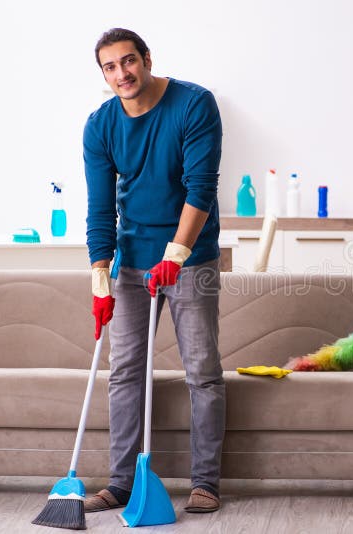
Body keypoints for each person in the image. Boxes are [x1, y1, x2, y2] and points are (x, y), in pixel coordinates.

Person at [83, 28, 224, 514]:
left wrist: (176, 254)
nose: (122, 74)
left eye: (128, 62)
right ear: (103, 74)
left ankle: (205, 482)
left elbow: (200, 188)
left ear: (146, 59)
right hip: (132, 261)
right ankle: (121, 483)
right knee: (123, 373)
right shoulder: (100, 126)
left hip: (191, 257)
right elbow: (101, 210)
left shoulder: (194, 105)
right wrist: (101, 280)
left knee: (202, 372)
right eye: (110, 67)